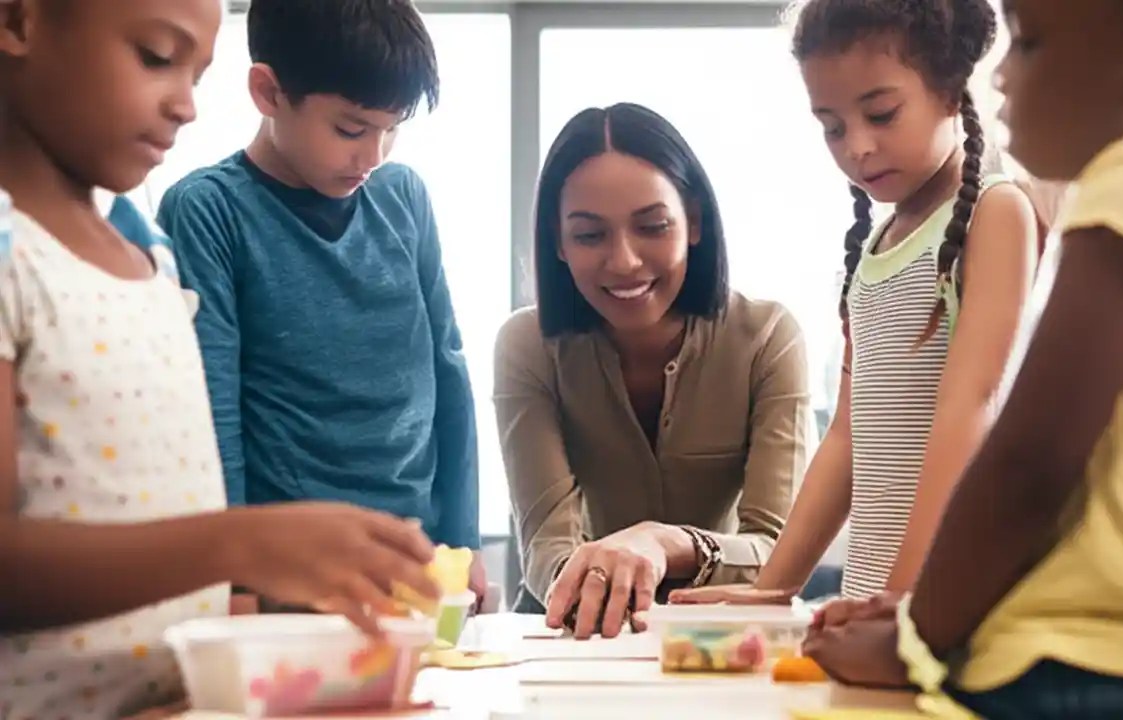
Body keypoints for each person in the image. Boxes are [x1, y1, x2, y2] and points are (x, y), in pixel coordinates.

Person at [801, 0, 1123, 717]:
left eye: (1028, 43)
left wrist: (915, 637)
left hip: (1097, 671)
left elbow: (1031, 460)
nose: (997, 80)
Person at [0, 1, 438, 718]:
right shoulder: (14, 251)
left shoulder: (149, 253)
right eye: (154, 56)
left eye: (198, 72)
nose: (188, 106)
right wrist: (238, 544)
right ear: (18, 21)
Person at [671, 0, 1037, 609]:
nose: (857, 147)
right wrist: (771, 588)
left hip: (946, 603)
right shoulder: (872, 250)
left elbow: (968, 412)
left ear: (950, 90)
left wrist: (906, 601)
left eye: (881, 113)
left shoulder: (995, 214)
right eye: (832, 126)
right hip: (871, 601)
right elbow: (845, 439)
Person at [156, 0, 485, 606]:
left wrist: (462, 542)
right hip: (287, 574)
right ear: (268, 91)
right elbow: (212, 408)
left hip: (416, 562)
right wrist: (235, 578)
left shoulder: (404, 197)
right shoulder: (207, 209)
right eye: (351, 129)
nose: (374, 156)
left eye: (393, 128)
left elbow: (448, 371)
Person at [494, 102, 811, 638]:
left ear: (694, 222)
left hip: (716, 636)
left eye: (652, 226)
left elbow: (775, 551)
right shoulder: (527, 345)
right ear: (558, 243)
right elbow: (547, 546)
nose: (624, 261)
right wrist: (598, 591)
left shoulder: (767, 338)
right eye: (590, 235)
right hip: (572, 632)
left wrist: (666, 543)